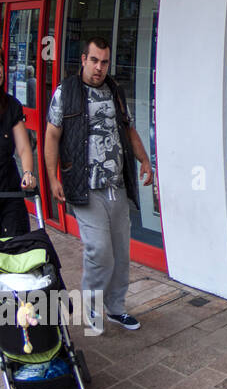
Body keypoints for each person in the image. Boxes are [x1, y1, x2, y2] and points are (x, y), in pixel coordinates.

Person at [43, 37, 153, 330]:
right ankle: (89, 310)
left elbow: (127, 129)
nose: (99, 68)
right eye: (94, 60)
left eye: (104, 62)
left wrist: (144, 159)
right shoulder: (66, 92)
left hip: (116, 185)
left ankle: (115, 307)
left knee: (120, 252)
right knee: (99, 251)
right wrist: (53, 177)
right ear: (83, 59)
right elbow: (52, 135)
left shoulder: (114, 90)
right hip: (85, 186)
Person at [0, 90, 38, 235]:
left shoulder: (11, 105)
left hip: (8, 187)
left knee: (17, 240)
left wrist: (27, 173)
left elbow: (23, 148)